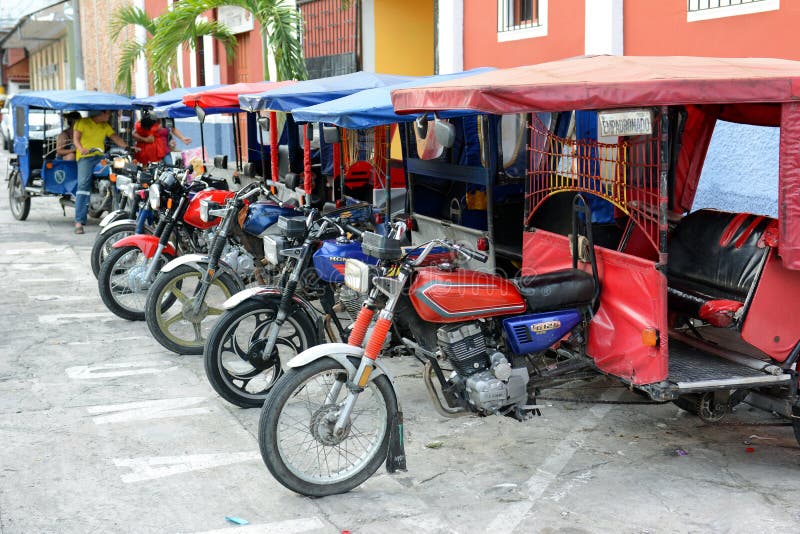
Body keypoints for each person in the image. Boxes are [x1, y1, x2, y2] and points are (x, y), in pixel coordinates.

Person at [72, 110, 128, 234]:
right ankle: (79, 222)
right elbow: (76, 139)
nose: (110, 116)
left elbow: (115, 137)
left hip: (100, 156)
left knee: (116, 176)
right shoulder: (82, 122)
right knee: (83, 186)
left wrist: (127, 147)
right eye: (108, 114)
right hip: (85, 157)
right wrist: (81, 149)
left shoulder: (105, 125)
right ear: (100, 113)